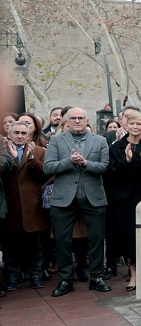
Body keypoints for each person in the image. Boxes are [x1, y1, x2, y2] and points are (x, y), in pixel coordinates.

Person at [42, 107, 111, 296]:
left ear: (87, 120)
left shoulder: (100, 140)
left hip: (93, 198)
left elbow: (105, 167)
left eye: (81, 118)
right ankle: (66, 280)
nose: (78, 121)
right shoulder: (56, 140)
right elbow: (48, 168)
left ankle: (96, 277)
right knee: (62, 241)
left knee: (97, 239)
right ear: (66, 121)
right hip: (63, 199)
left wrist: (86, 163)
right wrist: (69, 161)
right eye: (73, 118)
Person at [105, 111, 141, 292]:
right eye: (132, 124)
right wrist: (128, 159)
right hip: (123, 200)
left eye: (139, 124)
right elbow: (113, 174)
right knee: (128, 237)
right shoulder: (116, 148)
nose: (135, 127)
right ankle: (134, 273)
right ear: (126, 126)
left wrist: (140, 158)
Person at [3, 120, 48, 291]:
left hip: (32, 206)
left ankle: (36, 274)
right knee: (11, 245)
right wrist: (11, 158)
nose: (20, 136)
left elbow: (46, 173)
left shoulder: (39, 151)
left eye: (24, 133)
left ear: (29, 135)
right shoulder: (3, 151)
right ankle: (13, 277)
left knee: (36, 244)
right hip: (10, 205)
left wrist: (31, 159)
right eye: (16, 133)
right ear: (9, 134)